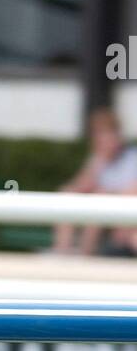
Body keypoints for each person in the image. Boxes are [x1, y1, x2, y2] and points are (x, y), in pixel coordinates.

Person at [53, 108, 137, 256]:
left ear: (118, 135)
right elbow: (80, 186)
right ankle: (62, 250)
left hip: (123, 210)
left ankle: (86, 254)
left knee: (98, 199)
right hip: (104, 206)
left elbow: (133, 190)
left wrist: (108, 194)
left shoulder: (132, 158)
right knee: (67, 195)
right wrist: (97, 164)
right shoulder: (97, 159)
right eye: (99, 135)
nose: (104, 140)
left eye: (108, 134)